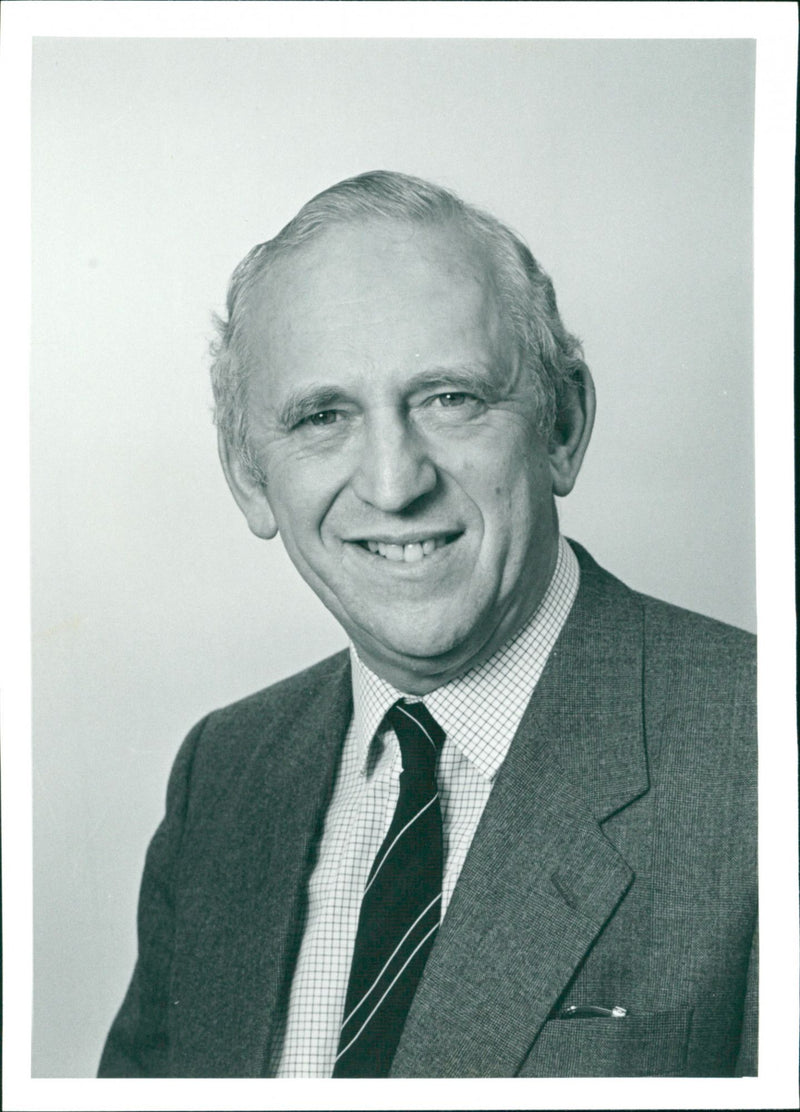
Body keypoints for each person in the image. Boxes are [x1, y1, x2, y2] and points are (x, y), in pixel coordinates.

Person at [98, 171, 756, 1079]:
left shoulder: (761, 750)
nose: (394, 483)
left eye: (449, 398)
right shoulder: (225, 773)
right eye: (322, 416)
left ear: (562, 425)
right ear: (249, 476)